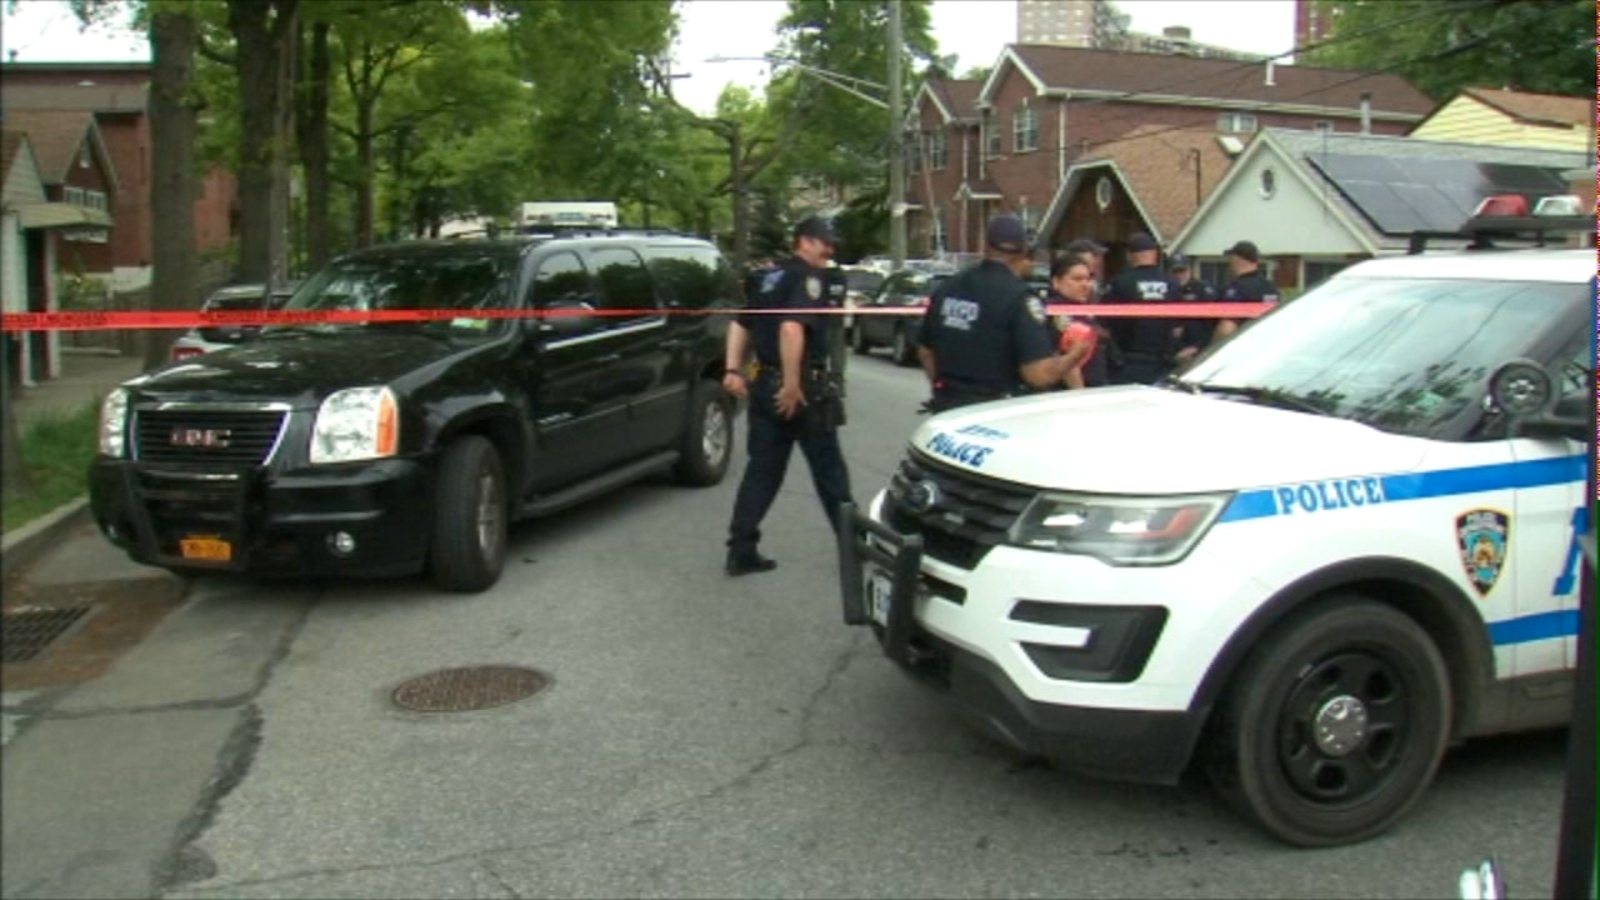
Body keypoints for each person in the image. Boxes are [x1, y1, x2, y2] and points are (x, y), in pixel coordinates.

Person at [721, 217, 853, 577]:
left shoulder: (768, 277)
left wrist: (733, 369)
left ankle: (741, 549)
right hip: (799, 391)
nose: (830, 250)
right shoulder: (808, 279)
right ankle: (854, 551)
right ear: (804, 242)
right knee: (831, 474)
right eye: (825, 243)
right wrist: (793, 384)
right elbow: (792, 328)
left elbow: (739, 322)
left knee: (762, 471)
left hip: (763, 384)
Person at [916, 215, 1073, 412]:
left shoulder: (949, 286)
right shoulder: (1021, 298)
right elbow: (1038, 375)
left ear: (986, 246)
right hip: (993, 411)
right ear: (1023, 251)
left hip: (947, 407)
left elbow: (925, 350)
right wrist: (1076, 354)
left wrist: (945, 389)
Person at [1101, 231, 1184, 385]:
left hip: (1128, 361)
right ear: (1155, 254)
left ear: (1130, 255)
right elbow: (1177, 330)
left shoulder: (1120, 283)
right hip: (1163, 361)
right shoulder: (1172, 284)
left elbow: (1104, 327)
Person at [1048, 254, 1106, 389]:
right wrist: (1081, 397)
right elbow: (1069, 365)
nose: (1085, 285)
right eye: (1077, 279)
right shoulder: (1059, 315)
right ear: (1056, 282)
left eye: (1088, 279)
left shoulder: (1079, 310)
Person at [1214, 240, 1280, 343]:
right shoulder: (1270, 287)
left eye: (1231, 258)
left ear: (1237, 259)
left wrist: (1212, 350)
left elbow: (1227, 327)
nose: (1230, 262)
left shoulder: (1237, 288)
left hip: (1242, 347)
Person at [1167, 253, 1217, 366]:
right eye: (1175, 272)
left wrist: (1198, 348)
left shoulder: (1203, 291)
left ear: (1189, 270)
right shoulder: (1166, 292)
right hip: (1171, 353)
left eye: (1182, 271)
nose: (1179, 275)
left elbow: (1212, 326)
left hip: (1198, 351)